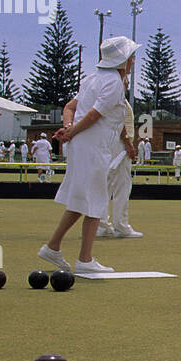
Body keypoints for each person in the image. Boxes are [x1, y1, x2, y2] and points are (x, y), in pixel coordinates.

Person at [38, 36, 138, 274]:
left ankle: (53, 246)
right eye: (131, 56)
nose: (134, 61)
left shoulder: (92, 79)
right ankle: (84, 259)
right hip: (92, 146)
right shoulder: (114, 82)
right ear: (123, 59)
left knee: (83, 199)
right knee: (95, 201)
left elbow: (70, 108)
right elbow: (94, 115)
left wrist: (69, 127)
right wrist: (71, 131)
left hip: (85, 145)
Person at [100, 96, 142, 238]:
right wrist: (128, 143)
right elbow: (119, 120)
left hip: (110, 142)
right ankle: (121, 226)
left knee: (106, 186)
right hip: (119, 145)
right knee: (122, 186)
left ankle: (102, 225)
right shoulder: (115, 92)